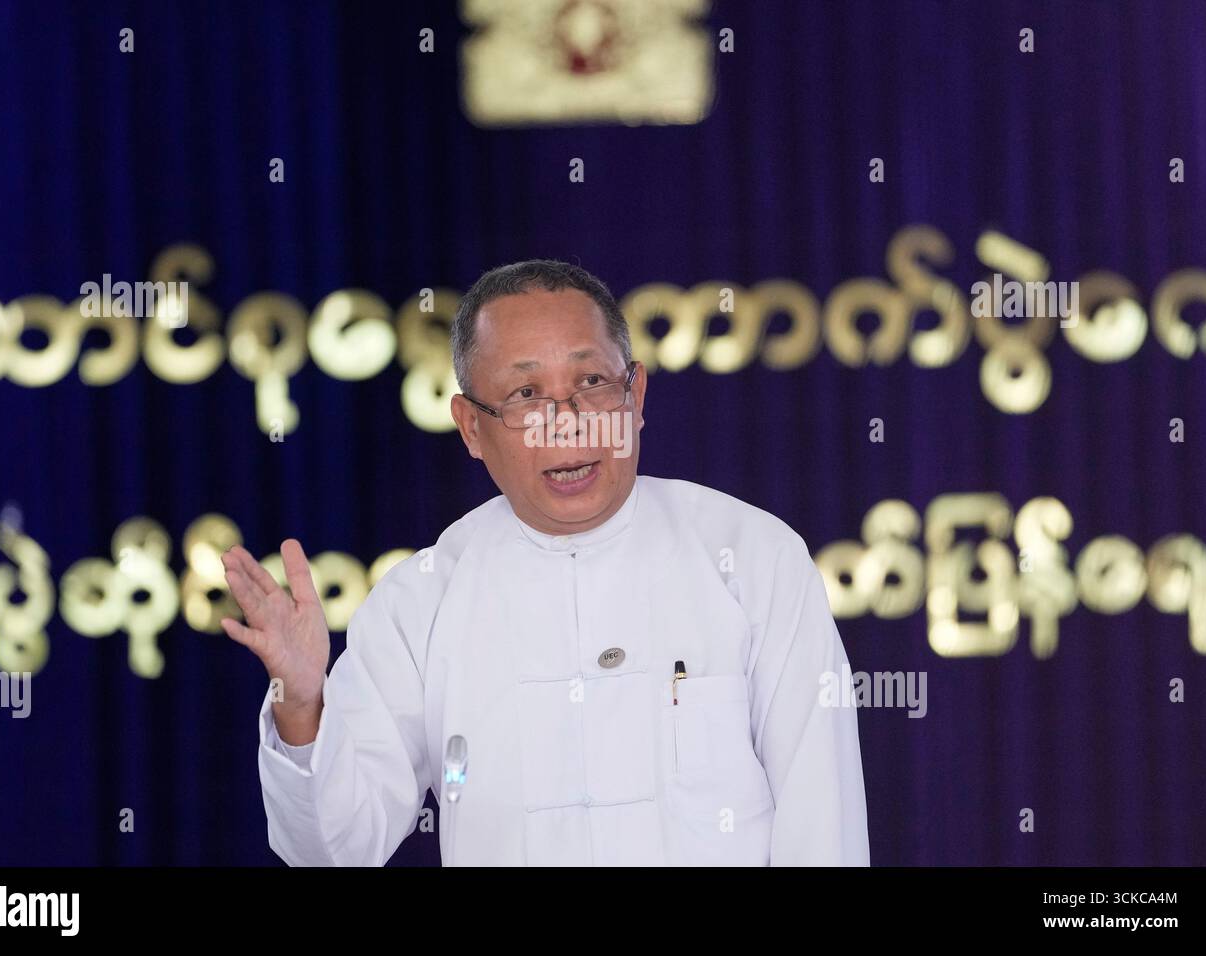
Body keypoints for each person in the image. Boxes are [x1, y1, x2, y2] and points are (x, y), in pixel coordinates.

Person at [221, 260, 871, 866]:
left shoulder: (754, 563)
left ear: (635, 395)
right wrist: (302, 704)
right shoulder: (420, 603)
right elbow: (335, 846)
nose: (566, 423)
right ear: (471, 428)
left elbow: (824, 827)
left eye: (590, 382)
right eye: (526, 393)